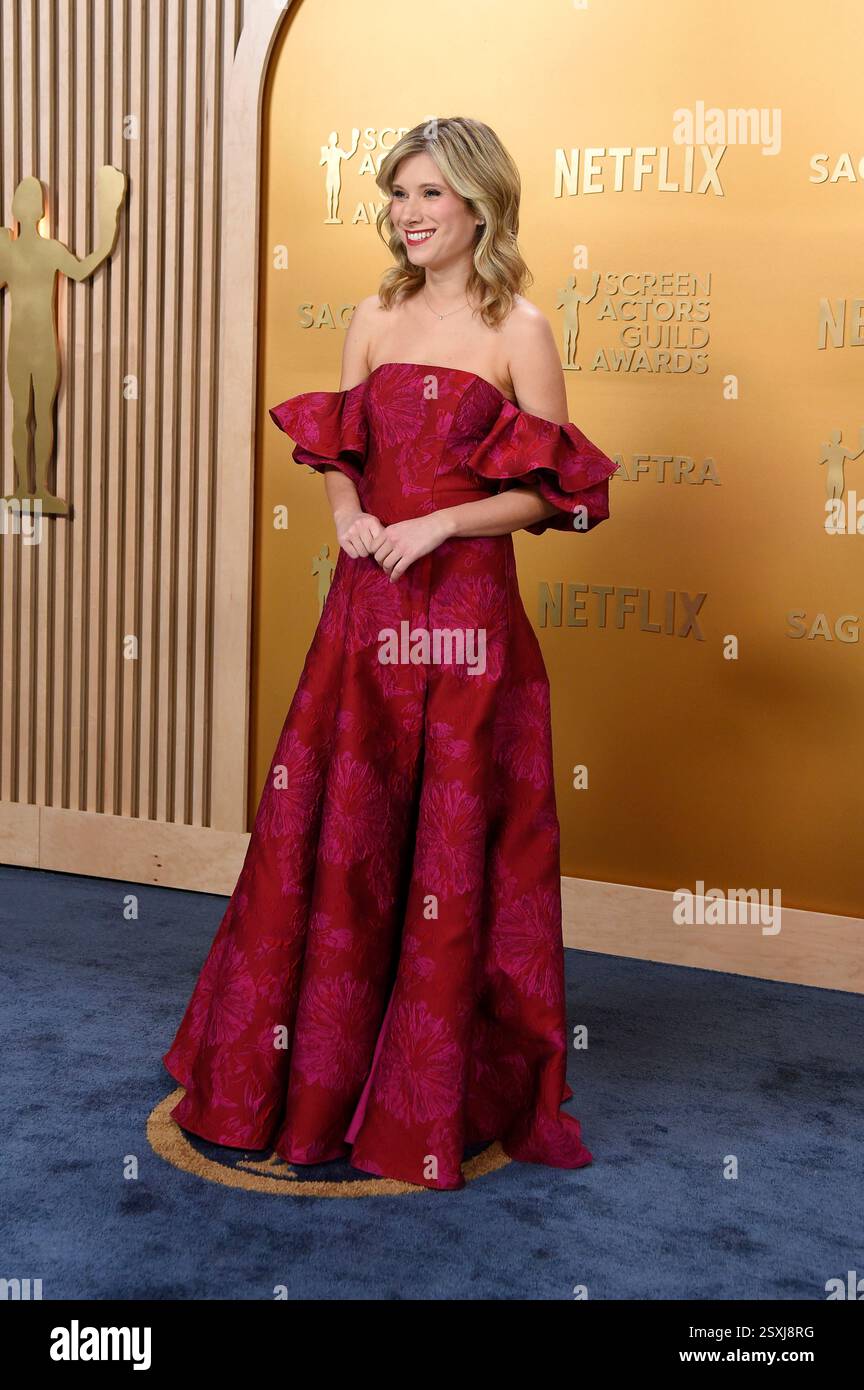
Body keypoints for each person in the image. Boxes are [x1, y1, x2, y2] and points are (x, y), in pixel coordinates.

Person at [162, 116, 619, 1191]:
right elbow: (337, 449)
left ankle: (424, 1093)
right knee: (342, 834)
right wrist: (346, 511)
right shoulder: (371, 314)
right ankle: (307, 1078)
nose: (410, 215)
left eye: (430, 195)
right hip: (367, 612)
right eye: (399, 194)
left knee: (449, 848)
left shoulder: (524, 330)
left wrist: (443, 525)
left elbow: (555, 499)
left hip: (464, 623)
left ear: (479, 205)